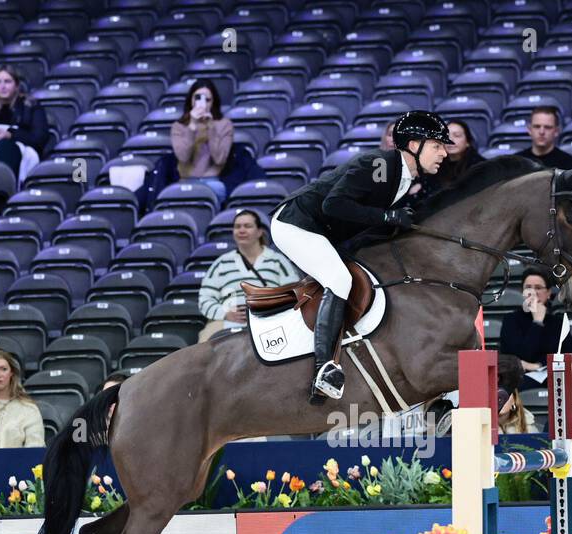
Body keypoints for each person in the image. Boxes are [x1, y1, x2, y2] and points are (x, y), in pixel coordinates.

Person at [270, 110, 451, 403]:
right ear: (414, 145)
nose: (444, 153)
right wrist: (387, 216)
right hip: (295, 224)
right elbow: (334, 205)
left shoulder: (404, 178)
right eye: (437, 146)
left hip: (325, 232)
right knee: (340, 280)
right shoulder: (380, 163)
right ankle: (324, 369)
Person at [197, 208, 299, 339]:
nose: (241, 230)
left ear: (259, 232)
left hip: (270, 320)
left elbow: (293, 294)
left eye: (248, 226)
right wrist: (224, 313)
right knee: (206, 340)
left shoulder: (277, 261)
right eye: (237, 227)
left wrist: (271, 311)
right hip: (226, 321)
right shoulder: (221, 263)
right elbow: (204, 299)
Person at [171, 79, 233, 204]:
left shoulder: (224, 125)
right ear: (191, 100)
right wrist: (192, 126)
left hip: (212, 180)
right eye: (197, 98)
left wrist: (211, 129)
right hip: (186, 180)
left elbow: (219, 159)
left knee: (218, 189)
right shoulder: (179, 126)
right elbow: (183, 157)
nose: (202, 103)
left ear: (213, 102)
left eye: (207, 99)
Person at [499, 267, 570, 371]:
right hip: (519, 379)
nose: (533, 292)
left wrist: (538, 366)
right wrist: (537, 323)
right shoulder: (510, 320)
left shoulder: (559, 324)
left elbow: (566, 357)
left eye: (538, 288)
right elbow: (517, 357)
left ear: (548, 292)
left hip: (551, 377)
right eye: (528, 287)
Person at [513, 106, 572, 170]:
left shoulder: (569, 164)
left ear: (556, 131)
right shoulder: (516, 162)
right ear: (529, 130)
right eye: (537, 126)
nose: (542, 132)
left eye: (547, 127)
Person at [430, 119, 484, 189]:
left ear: (468, 142)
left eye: (457, 135)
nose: (451, 140)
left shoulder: (479, 166)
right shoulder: (434, 164)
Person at [496, 353, 538, 434]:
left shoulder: (528, 427)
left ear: (514, 400)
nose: (499, 398)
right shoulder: (480, 427)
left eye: (504, 394)